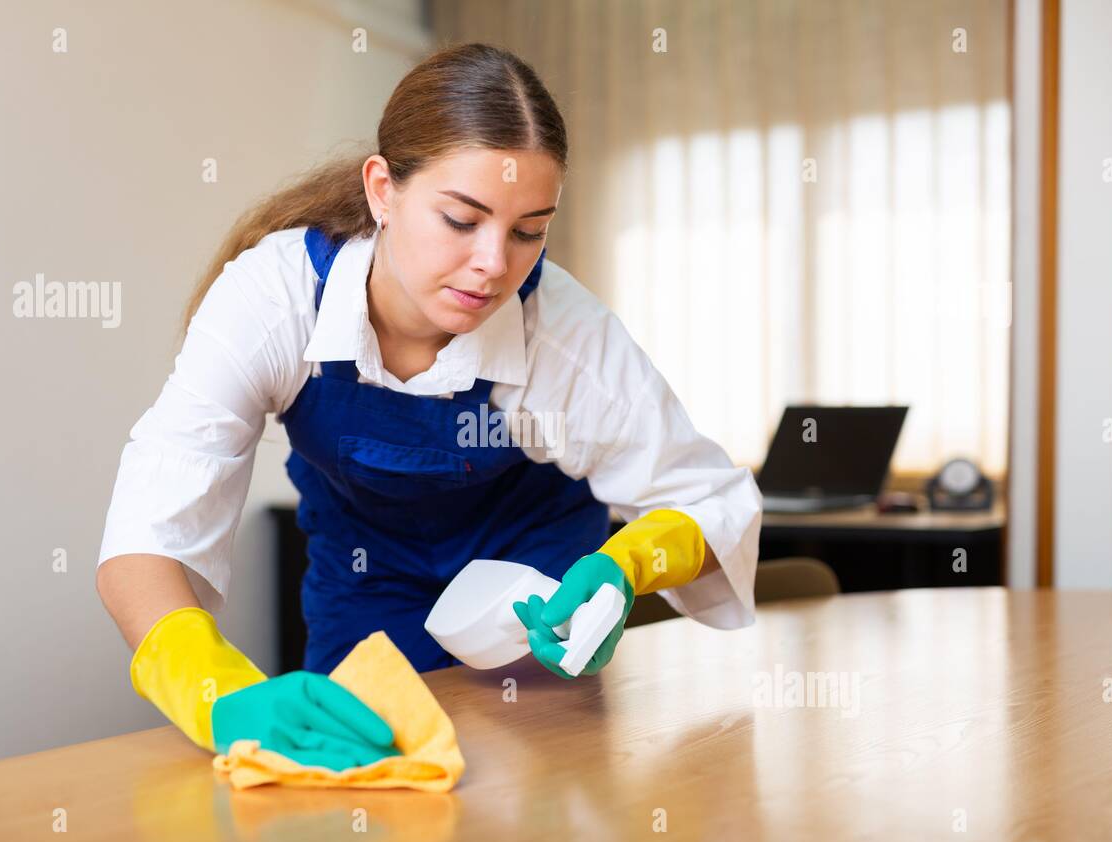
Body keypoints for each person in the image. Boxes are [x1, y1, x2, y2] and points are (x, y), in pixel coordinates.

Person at [95, 42, 762, 771]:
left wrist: (626, 566)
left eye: (529, 230)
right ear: (383, 190)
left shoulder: (565, 334)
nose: (494, 264)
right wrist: (214, 689)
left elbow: (709, 500)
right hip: (365, 582)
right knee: (371, 794)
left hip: (533, 600)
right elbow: (147, 532)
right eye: (461, 219)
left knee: (543, 798)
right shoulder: (273, 300)